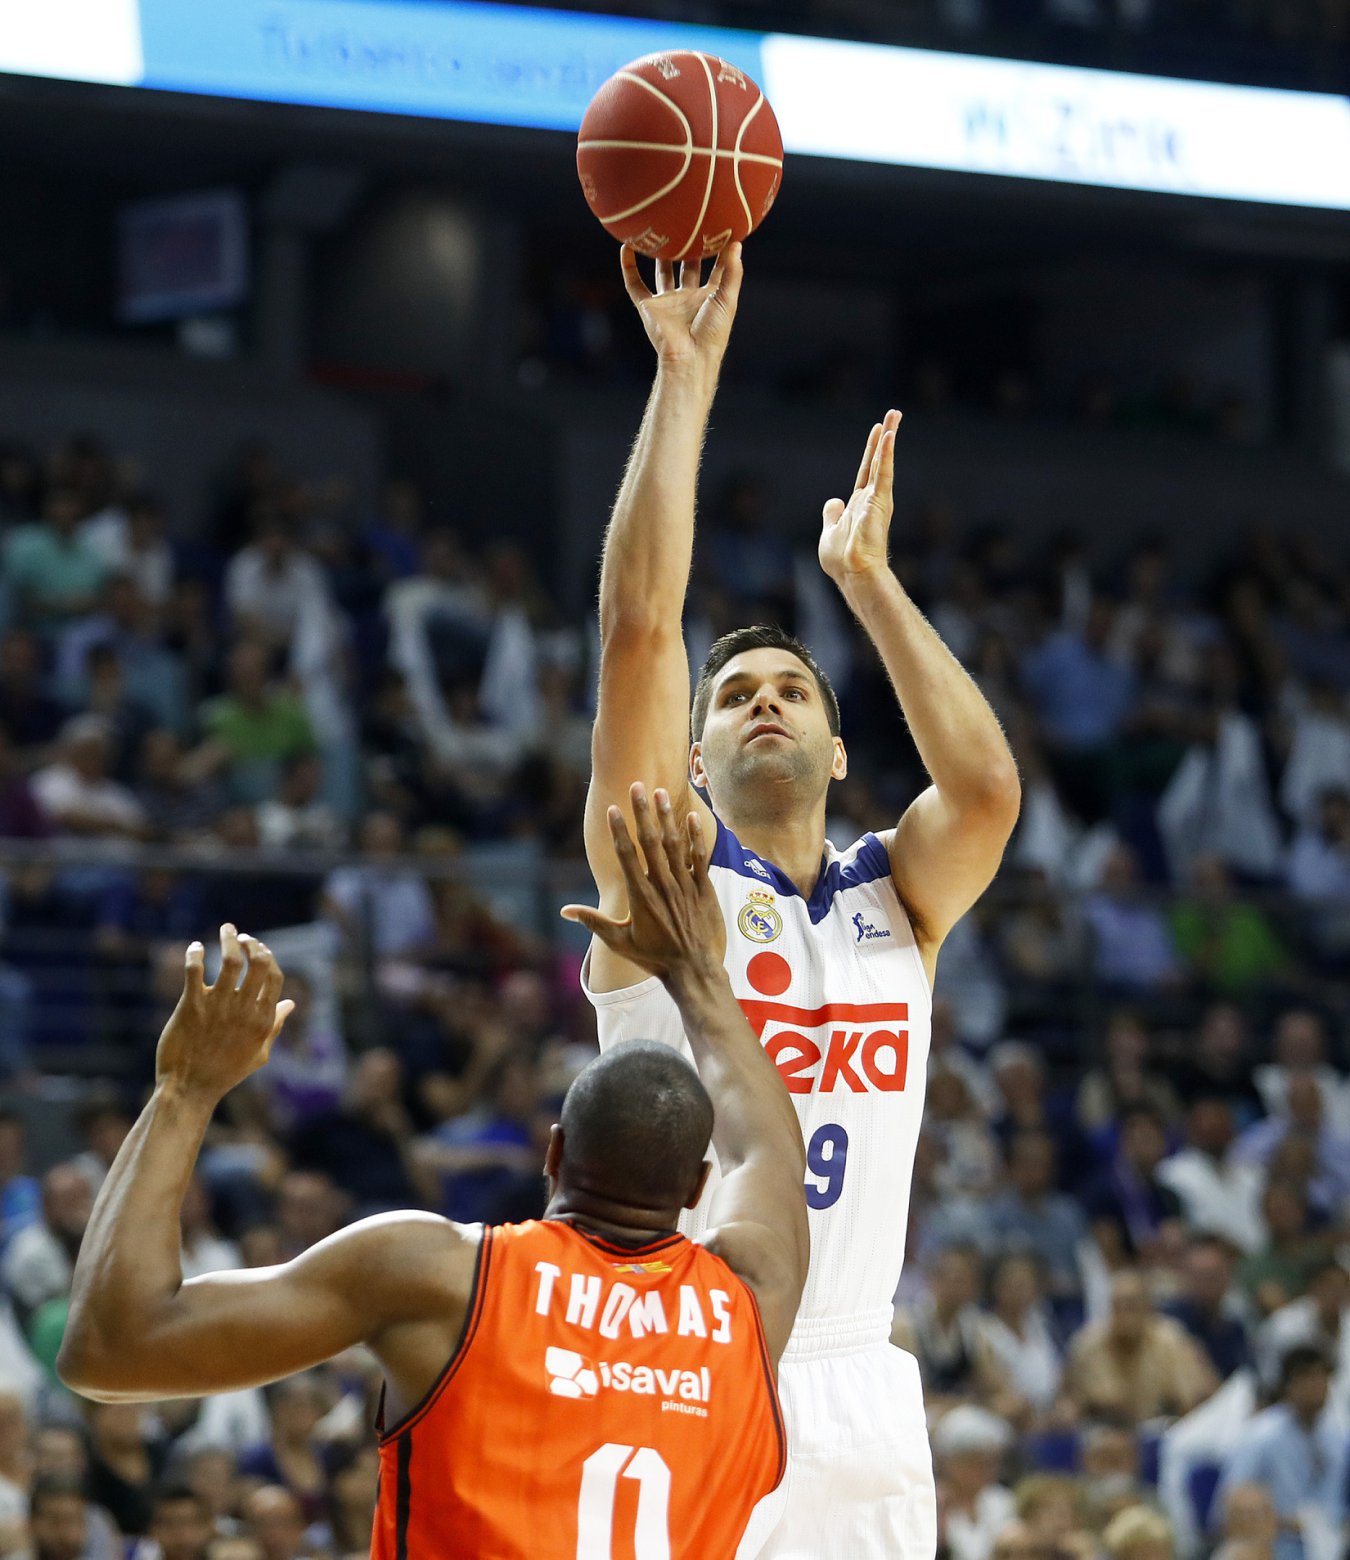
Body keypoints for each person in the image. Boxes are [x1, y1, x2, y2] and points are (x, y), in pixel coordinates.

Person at [58, 786, 810, 1559]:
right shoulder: (753, 1302)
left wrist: (185, 1091)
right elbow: (773, 1157)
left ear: (552, 1156)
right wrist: (699, 976)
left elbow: (111, 1349)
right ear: (695, 1190)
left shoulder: (440, 1274)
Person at [584, 244, 1020, 1558]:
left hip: (857, 1378)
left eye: (791, 691)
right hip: (686, 1356)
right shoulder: (664, 876)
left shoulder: (900, 892)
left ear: (838, 750)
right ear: (696, 760)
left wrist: (869, 586)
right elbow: (636, 628)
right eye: (731, 699)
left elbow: (986, 790)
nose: (761, 699)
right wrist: (683, 378)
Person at [1217, 1346, 1348, 1560]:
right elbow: (1230, 1507)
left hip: (1331, 1546)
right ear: (1289, 1385)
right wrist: (1284, 1522)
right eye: (1308, 1378)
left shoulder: (1336, 1437)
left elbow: (1337, 1506)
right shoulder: (1260, 1437)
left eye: (1322, 1378)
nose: (1317, 1387)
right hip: (1276, 1546)